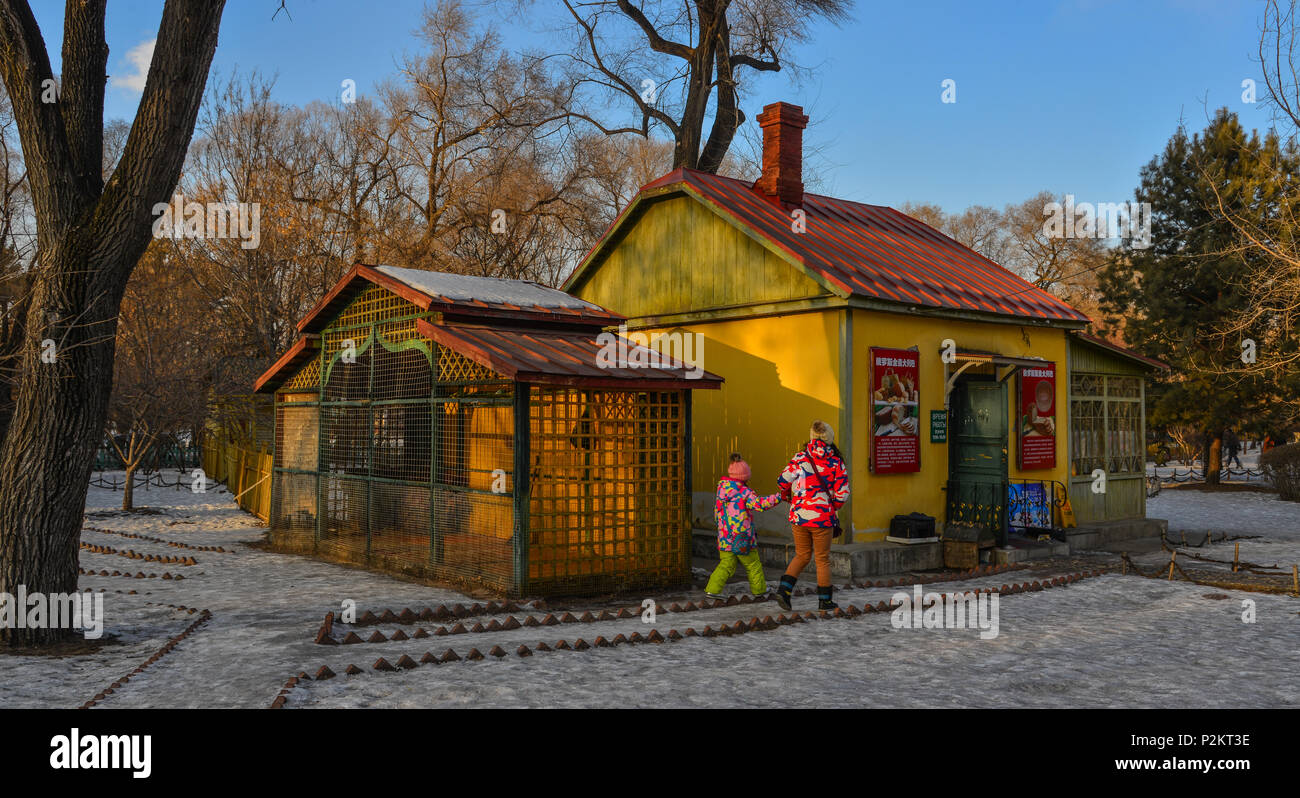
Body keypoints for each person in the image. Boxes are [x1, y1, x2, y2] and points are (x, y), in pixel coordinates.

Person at [774, 420, 850, 611]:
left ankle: (784, 590)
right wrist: (832, 506)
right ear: (830, 439)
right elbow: (843, 492)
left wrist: (792, 495)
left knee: (802, 555)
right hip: (822, 519)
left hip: (799, 517)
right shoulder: (835, 462)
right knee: (822, 559)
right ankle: (824, 600)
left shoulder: (800, 458)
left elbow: (782, 481)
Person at [705, 454, 781, 599]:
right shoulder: (744, 492)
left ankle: (712, 590)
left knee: (726, 564)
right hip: (742, 537)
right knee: (753, 564)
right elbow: (760, 504)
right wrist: (779, 497)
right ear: (745, 476)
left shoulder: (722, 491)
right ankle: (759, 590)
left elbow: (717, 514)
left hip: (725, 536)